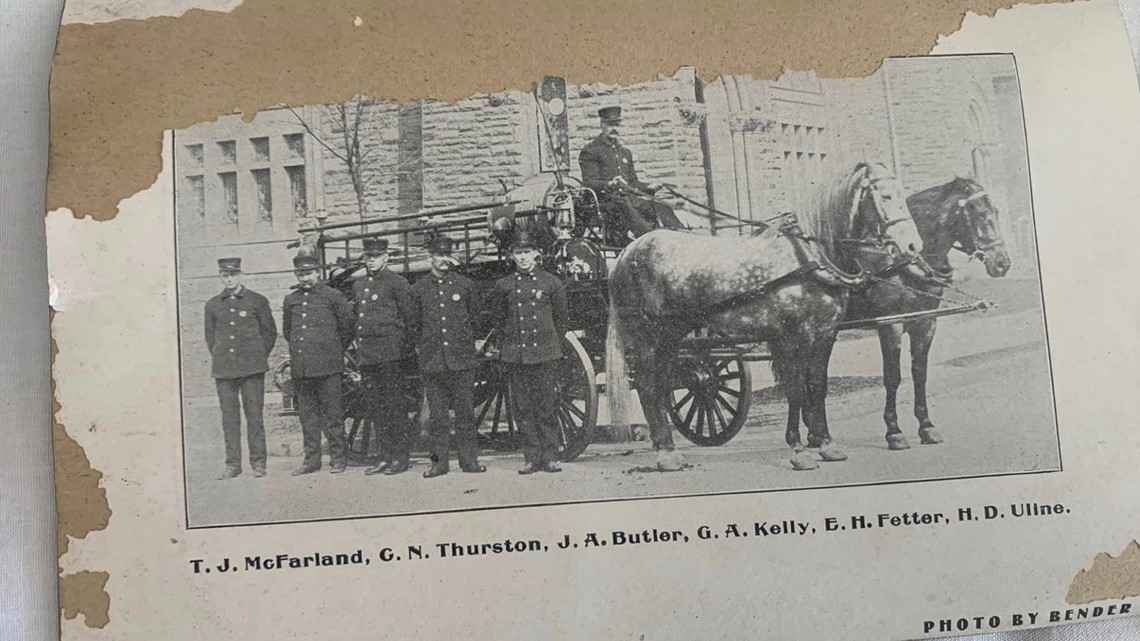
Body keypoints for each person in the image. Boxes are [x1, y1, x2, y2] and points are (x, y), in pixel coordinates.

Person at [491, 231, 568, 474]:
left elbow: (561, 320)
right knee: (523, 409)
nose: (523, 257)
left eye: (526, 252)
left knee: (546, 405)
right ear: (511, 256)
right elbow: (498, 320)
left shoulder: (551, 283)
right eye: (518, 253)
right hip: (517, 355)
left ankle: (551, 456)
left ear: (536, 253)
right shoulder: (503, 286)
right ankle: (532, 458)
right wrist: (508, 349)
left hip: (544, 353)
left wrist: (552, 346)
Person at [411, 236, 486, 478]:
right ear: (430, 257)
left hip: (462, 361)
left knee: (465, 414)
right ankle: (438, 463)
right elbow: (414, 326)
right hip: (433, 362)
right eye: (439, 255)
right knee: (438, 417)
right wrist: (423, 350)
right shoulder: (419, 289)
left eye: (447, 255)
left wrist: (470, 347)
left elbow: (476, 319)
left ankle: (469, 461)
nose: (444, 260)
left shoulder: (465, 286)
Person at [203, 257, 277, 479]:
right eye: (225, 275)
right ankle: (233, 465)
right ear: (220, 276)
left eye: (233, 274)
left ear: (240, 274)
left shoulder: (257, 301)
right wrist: (223, 357)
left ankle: (258, 464)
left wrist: (256, 357)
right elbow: (210, 338)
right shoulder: (213, 305)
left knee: (254, 417)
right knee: (229, 419)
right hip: (224, 371)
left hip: (252, 371)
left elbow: (269, 333)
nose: (229, 279)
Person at [283, 254, 353, 475]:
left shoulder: (333, 296)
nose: (305, 278)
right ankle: (311, 460)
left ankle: (338, 459)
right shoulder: (291, 300)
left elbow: (347, 327)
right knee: (308, 417)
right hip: (302, 368)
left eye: (309, 273)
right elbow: (288, 331)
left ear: (318, 273)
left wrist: (332, 350)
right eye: (301, 274)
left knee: (333, 416)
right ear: (296, 275)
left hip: (328, 366)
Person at [352, 238, 417, 477]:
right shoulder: (359, 286)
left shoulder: (397, 283)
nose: (371, 261)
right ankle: (384, 457)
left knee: (394, 407)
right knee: (376, 408)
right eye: (368, 257)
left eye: (376, 256)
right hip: (368, 355)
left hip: (390, 355)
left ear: (386, 257)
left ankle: (400, 458)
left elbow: (410, 320)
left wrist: (403, 348)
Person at [578, 105, 684, 241]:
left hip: (628, 200)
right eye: (610, 124)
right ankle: (651, 241)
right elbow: (589, 182)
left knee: (661, 207)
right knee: (626, 208)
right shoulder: (591, 150)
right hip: (606, 202)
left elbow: (633, 182)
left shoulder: (625, 152)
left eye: (617, 124)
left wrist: (648, 186)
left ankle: (682, 238)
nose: (614, 128)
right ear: (602, 124)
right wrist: (610, 184)